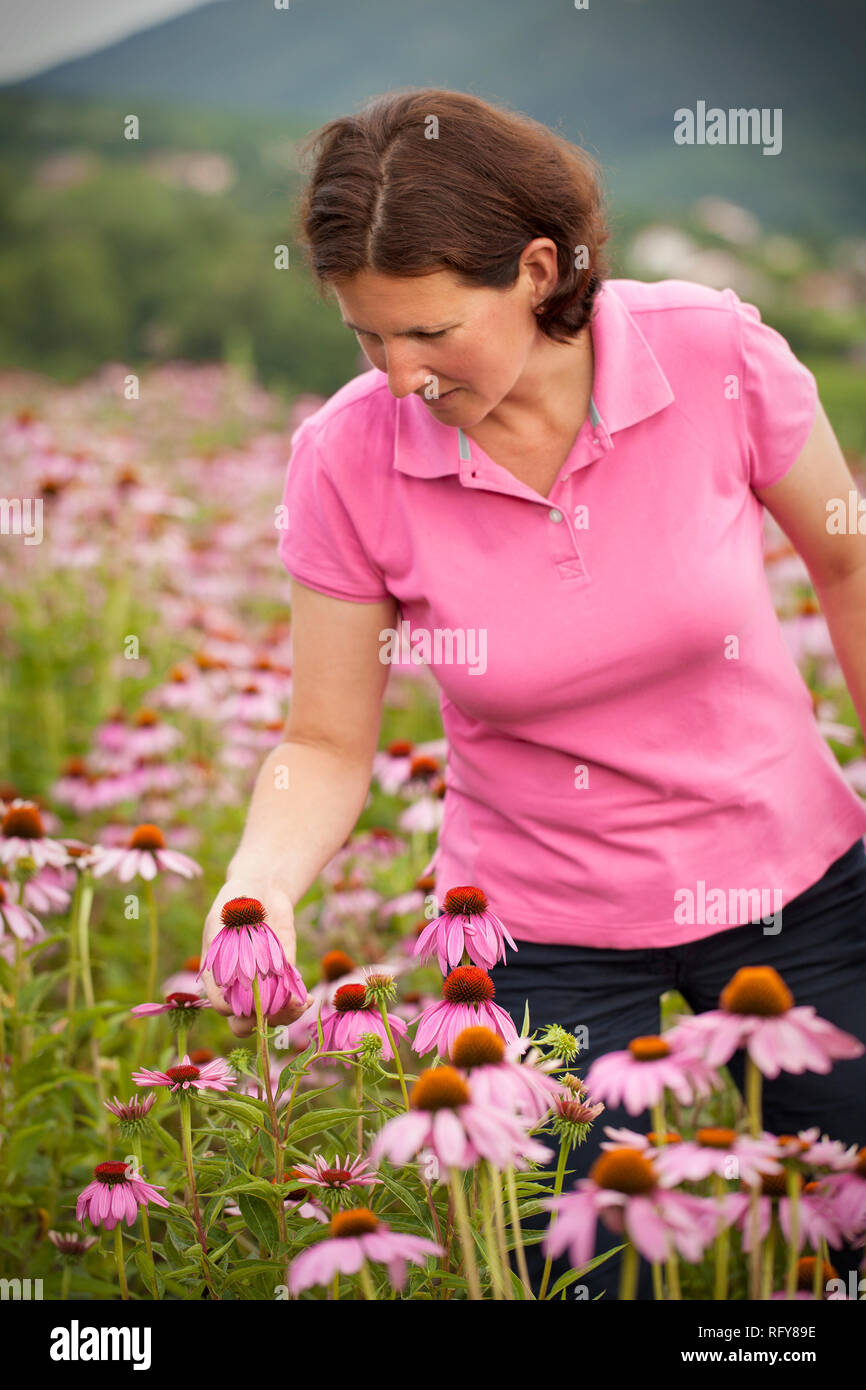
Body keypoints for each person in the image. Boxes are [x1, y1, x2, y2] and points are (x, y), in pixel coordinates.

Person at [200, 88, 866, 1300]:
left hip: (796, 887)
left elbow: (848, 563)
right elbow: (325, 740)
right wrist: (259, 886)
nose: (398, 375)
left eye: (431, 332)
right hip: (540, 934)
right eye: (367, 337)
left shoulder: (711, 350)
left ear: (538, 269)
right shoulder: (346, 458)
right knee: (572, 1275)